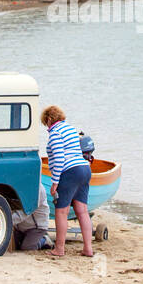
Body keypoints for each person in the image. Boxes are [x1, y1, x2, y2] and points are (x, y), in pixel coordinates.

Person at [42, 105, 94, 257]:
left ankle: (59, 248)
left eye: (46, 123)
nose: (47, 126)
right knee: (82, 210)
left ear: (50, 119)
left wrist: (55, 182)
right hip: (85, 169)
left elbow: (59, 158)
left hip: (69, 171)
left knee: (62, 211)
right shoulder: (71, 129)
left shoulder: (55, 133)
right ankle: (88, 248)